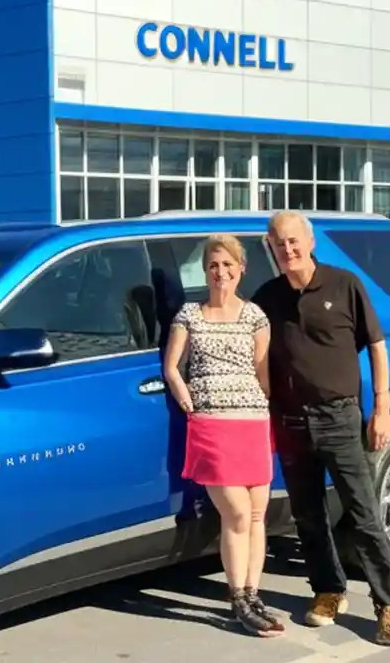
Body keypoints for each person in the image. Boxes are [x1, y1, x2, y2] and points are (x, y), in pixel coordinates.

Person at [251, 210, 390, 646]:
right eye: (279, 242)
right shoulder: (267, 297)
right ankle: (328, 590)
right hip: (291, 421)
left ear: (310, 241)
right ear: (271, 247)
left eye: (293, 241)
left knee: (363, 513)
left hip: (339, 418)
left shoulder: (344, 285)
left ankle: (387, 604)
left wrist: (382, 407)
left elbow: (376, 345)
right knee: (308, 515)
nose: (287, 249)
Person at [163, 234, 285, 637]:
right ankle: (238, 598)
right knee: (235, 512)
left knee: (257, 514)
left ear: (241, 269)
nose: (221, 272)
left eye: (228, 265)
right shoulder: (189, 315)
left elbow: (263, 372)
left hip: (253, 420)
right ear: (205, 270)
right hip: (212, 423)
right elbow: (172, 367)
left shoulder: (254, 316)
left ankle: (253, 594)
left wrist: (272, 409)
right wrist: (186, 398)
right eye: (214, 265)